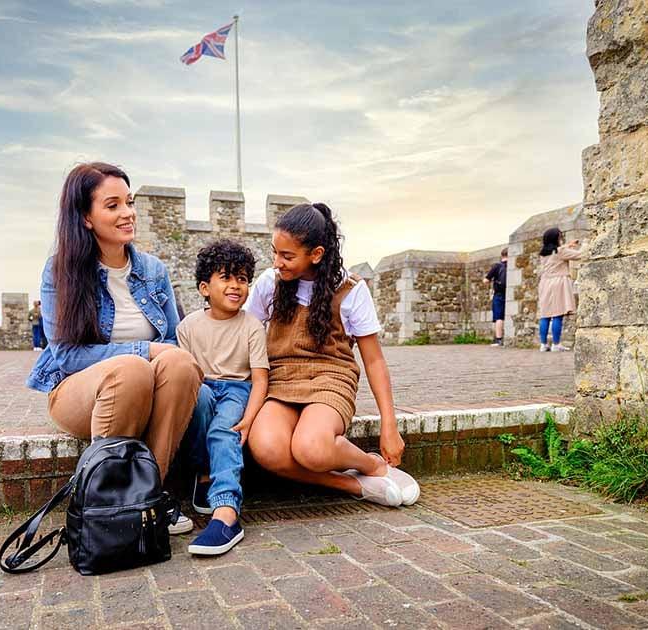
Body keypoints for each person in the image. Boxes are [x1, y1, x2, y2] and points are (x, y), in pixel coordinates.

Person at [26, 162, 201, 536]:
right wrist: (143, 351)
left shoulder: (153, 270)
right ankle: (107, 502)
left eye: (129, 202)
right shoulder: (61, 271)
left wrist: (155, 354)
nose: (127, 213)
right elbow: (67, 357)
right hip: (78, 391)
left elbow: (170, 340)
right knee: (132, 367)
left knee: (182, 363)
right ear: (86, 218)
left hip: (147, 390)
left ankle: (146, 497)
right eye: (112, 205)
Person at [244, 203, 420, 507]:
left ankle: (372, 465)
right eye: (275, 253)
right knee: (267, 449)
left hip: (330, 379)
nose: (277, 263)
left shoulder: (350, 289)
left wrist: (389, 425)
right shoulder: (269, 284)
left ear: (316, 254)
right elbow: (244, 335)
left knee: (311, 448)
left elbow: (374, 360)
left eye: (287, 256)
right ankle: (352, 485)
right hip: (280, 380)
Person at [178, 239, 269, 556]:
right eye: (226, 277)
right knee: (200, 401)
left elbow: (259, 380)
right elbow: (186, 375)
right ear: (205, 287)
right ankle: (202, 474)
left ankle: (227, 512)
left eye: (242, 279)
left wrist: (249, 418)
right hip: (201, 385)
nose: (236, 285)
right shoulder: (189, 326)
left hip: (237, 389)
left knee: (222, 430)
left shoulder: (252, 326)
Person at [537, 227, 583, 352]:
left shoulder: (543, 253)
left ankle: (543, 344)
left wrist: (569, 245)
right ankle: (556, 344)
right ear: (556, 238)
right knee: (558, 313)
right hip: (558, 282)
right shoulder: (560, 252)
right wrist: (586, 245)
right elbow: (580, 255)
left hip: (545, 283)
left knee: (545, 315)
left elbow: (559, 250)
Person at [484, 248, 508, 347]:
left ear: (502, 255)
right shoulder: (512, 265)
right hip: (510, 293)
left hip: (499, 294)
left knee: (499, 317)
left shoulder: (497, 266)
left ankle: (499, 340)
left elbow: (485, 280)